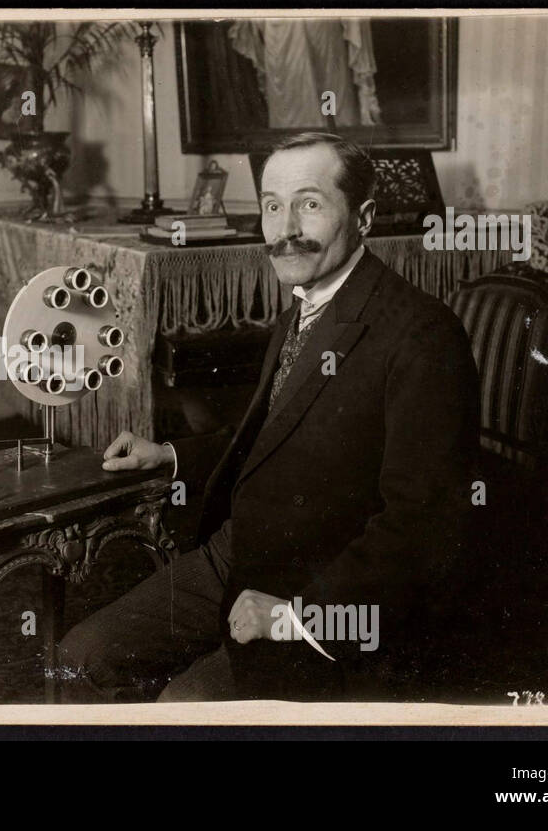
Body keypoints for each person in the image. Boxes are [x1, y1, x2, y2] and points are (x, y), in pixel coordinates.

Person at [58, 132, 479, 702]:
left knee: (183, 709)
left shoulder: (423, 336)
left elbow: (424, 524)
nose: (284, 231)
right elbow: (275, 442)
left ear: (365, 217)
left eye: (309, 204)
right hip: (239, 551)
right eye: (272, 206)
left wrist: (299, 617)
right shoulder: (300, 312)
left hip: (325, 590)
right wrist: (173, 454)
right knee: (79, 656)